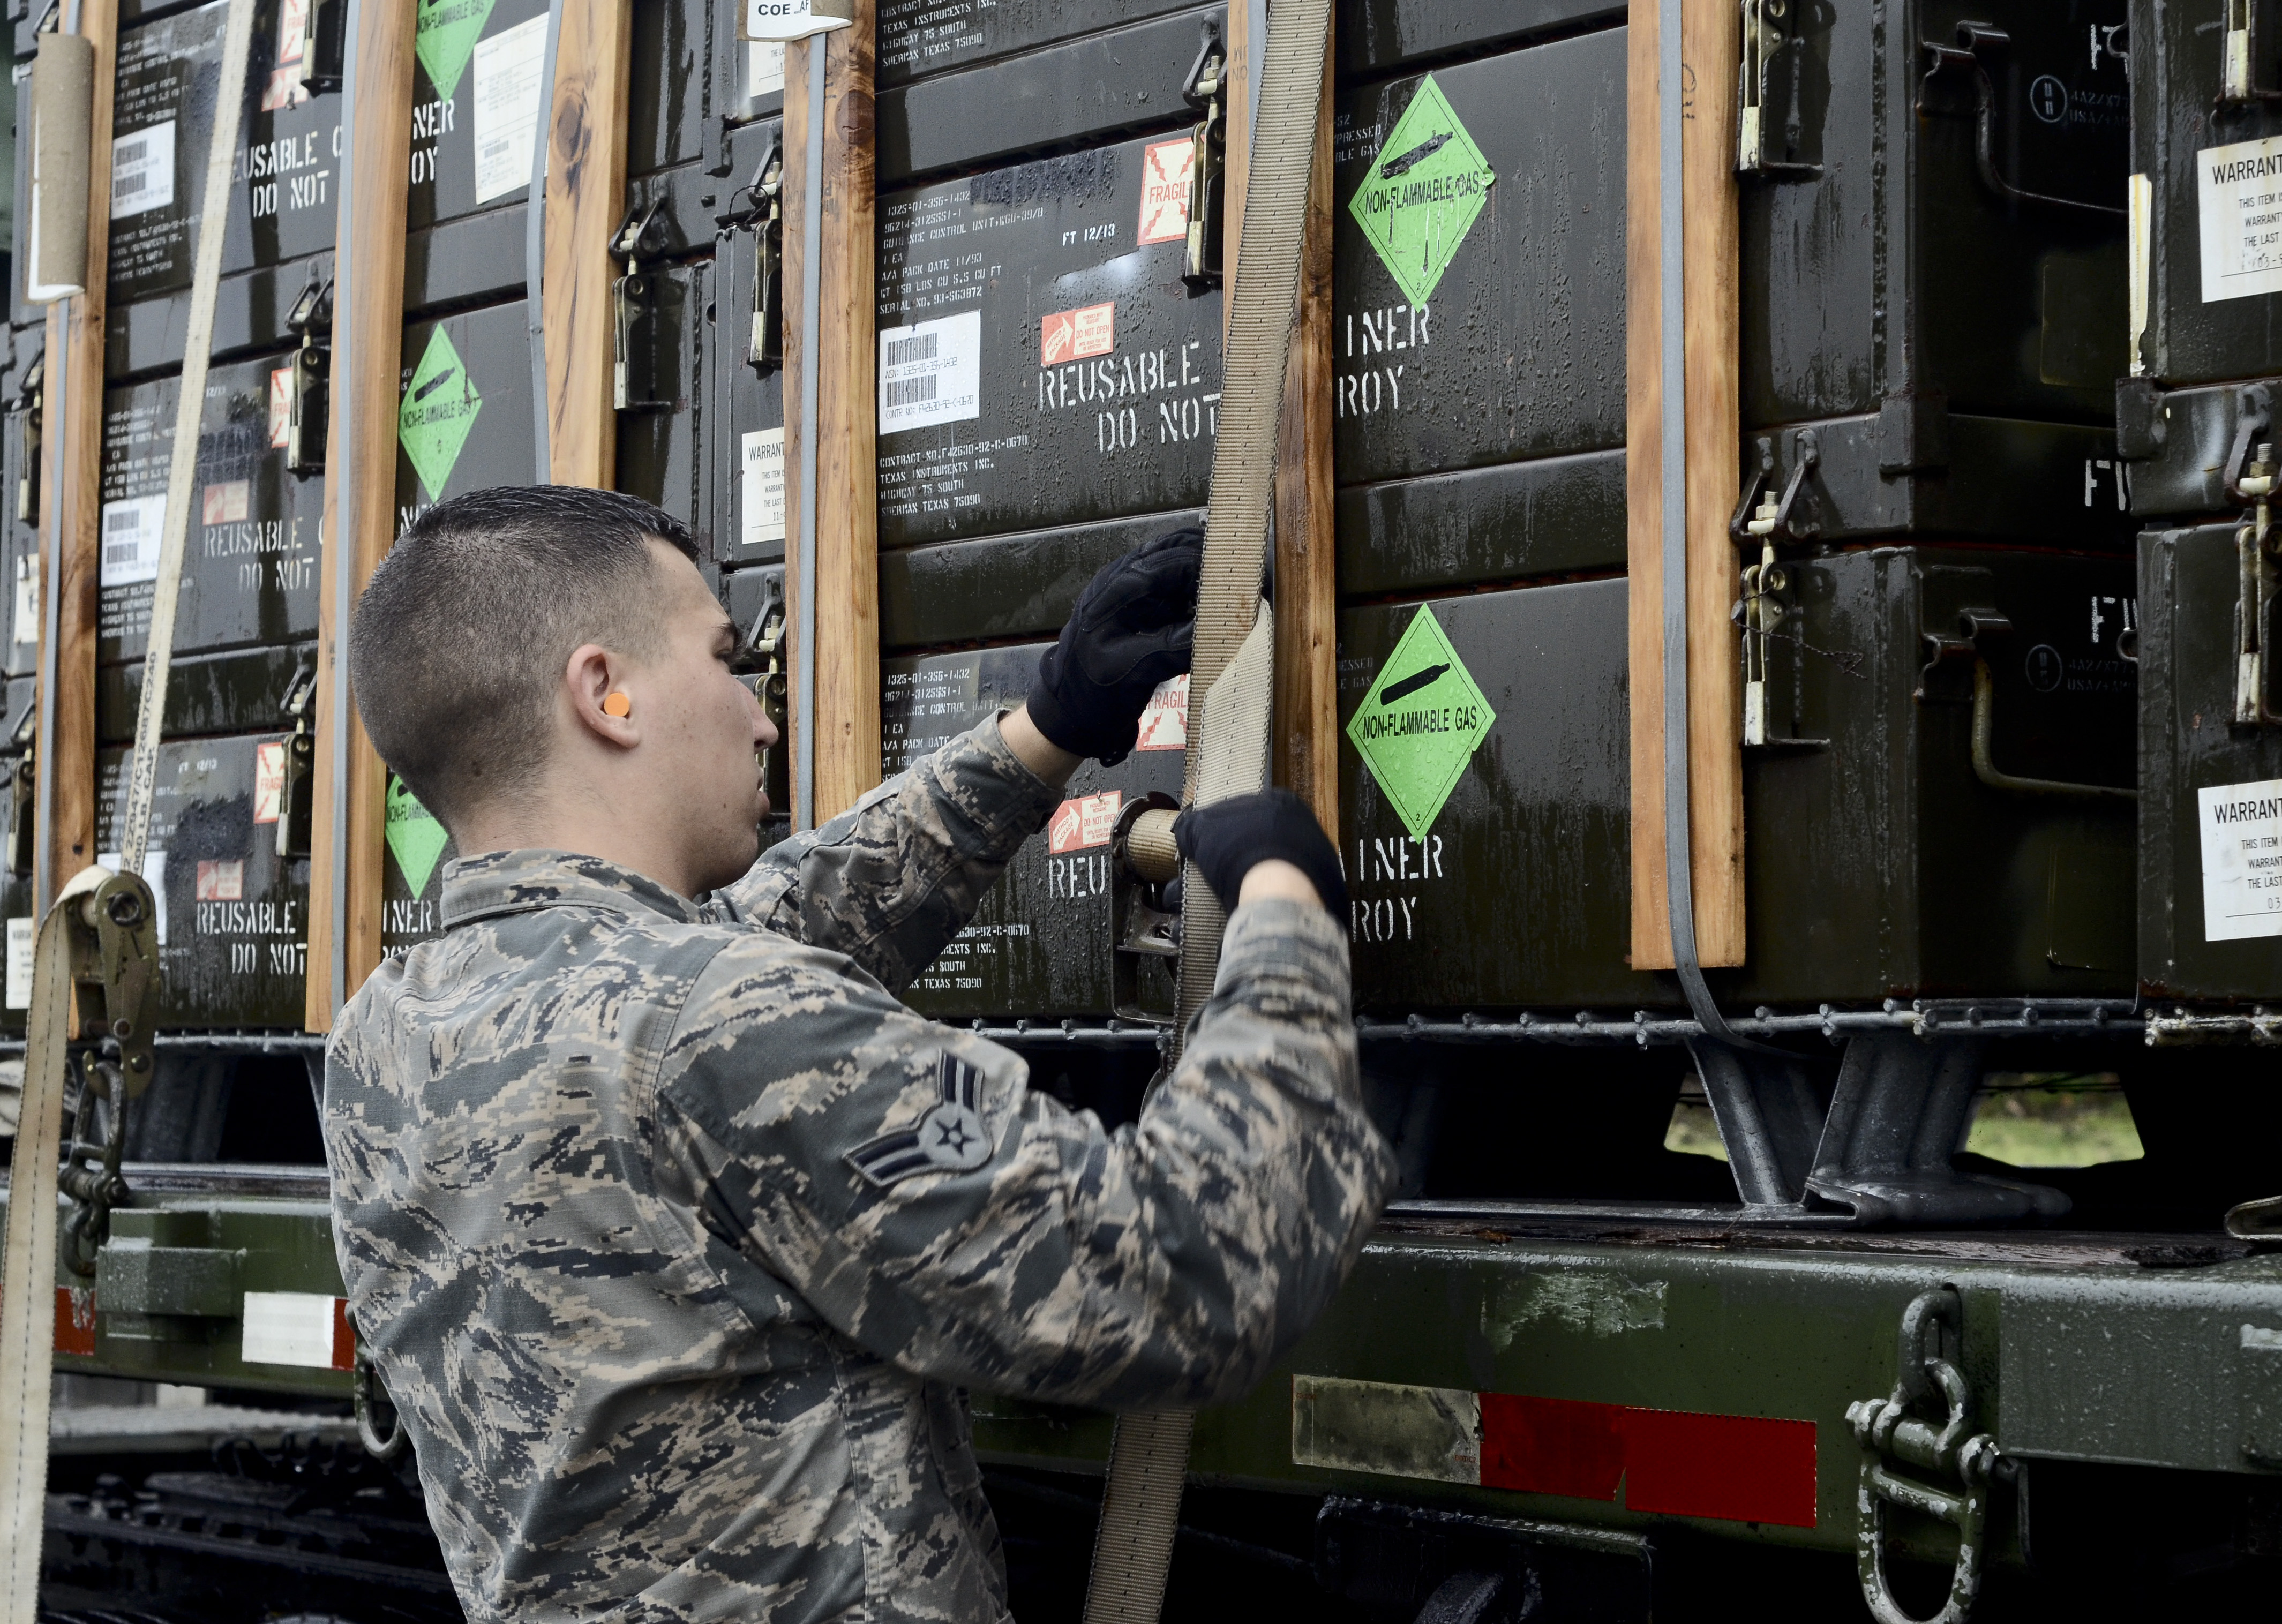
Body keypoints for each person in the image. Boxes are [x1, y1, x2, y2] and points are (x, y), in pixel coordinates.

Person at [323, 485, 1393, 1624]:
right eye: (729, 661)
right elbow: (1188, 1268)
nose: (762, 715)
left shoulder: (382, 1040)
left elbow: (730, 953)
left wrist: (1043, 733)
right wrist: (1284, 915)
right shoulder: (717, 1023)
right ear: (606, 692)